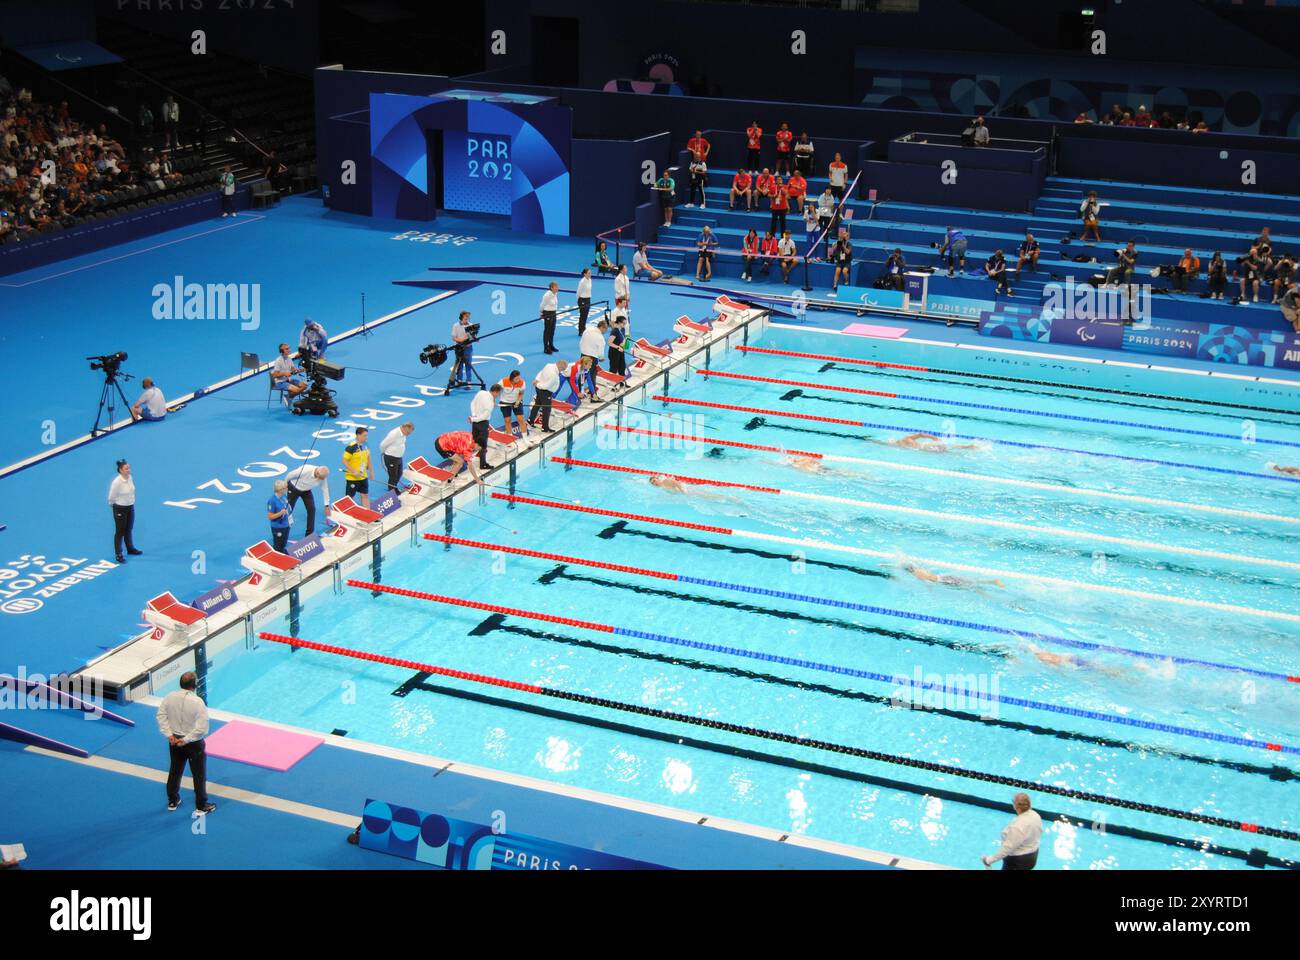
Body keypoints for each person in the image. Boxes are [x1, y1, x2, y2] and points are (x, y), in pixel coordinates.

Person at [157, 672, 216, 815]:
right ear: (195, 685)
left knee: (175, 771)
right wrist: (186, 739)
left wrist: (169, 735)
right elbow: (202, 728)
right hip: (192, 744)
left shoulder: (169, 697)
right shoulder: (198, 702)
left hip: (174, 741)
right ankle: (201, 805)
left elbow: (161, 715)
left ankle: (173, 800)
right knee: (199, 775)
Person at [981, 793, 1042, 870]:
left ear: (1015, 806)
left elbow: (1007, 848)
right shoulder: (1035, 815)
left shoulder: (1017, 827)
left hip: (1017, 862)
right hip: (1032, 857)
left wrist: (988, 860)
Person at [108, 459, 142, 564]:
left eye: (129, 468)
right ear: (121, 470)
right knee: (120, 531)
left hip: (130, 506)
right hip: (120, 508)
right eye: (126, 468)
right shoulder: (116, 482)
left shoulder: (130, 478)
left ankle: (130, 548)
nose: (129, 470)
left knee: (129, 529)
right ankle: (118, 554)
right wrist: (115, 506)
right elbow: (111, 497)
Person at [901, 561, 1004, 590]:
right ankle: (992, 581)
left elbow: (928, 583)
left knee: (969, 587)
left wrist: (930, 590)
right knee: (970, 582)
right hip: (946, 577)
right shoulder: (919, 569)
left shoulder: (917, 574)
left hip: (945, 581)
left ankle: (992, 583)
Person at [529, 360, 567, 433]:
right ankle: (545, 428)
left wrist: (537, 379)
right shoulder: (554, 375)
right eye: (562, 370)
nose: (562, 371)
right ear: (560, 367)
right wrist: (537, 384)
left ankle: (530, 420)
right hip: (545, 392)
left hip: (539, 389)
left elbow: (540, 372)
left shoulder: (548, 365)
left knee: (537, 404)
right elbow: (546, 386)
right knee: (546, 410)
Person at [470, 384, 498, 469]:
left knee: (473, 441)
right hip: (482, 423)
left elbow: (472, 403)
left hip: (475, 422)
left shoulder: (481, 392)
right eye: (498, 394)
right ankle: (483, 464)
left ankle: (466, 461)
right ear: (495, 392)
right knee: (483, 444)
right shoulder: (489, 403)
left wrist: (474, 415)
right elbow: (484, 416)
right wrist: (475, 419)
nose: (498, 396)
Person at [342, 427, 372, 508]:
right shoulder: (351, 447)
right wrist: (354, 472)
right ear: (358, 435)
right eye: (364, 436)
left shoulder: (366, 445)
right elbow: (345, 461)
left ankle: (368, 514)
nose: (366, 437)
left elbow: (368, 458)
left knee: (365, 495)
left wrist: (371, 471)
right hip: (353, 478)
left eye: (366, 435)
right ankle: (347, 516)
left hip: (363, 476)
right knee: (349, 498)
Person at [379, 422, 414, 492]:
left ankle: (394, 487)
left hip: (398, 457)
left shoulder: (403, 433)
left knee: (399, 473)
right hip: (391, 458)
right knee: (393, 476)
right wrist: (383, 452)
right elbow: (383, 444)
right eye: (408, 432)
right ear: (404, 428)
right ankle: (392, 491)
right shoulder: (394, 434)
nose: (408, 434)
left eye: (409, 433)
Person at [448, 309, 475, 388]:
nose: (467, 319)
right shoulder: (456, 325)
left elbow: (472, 335)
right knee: (459, 365)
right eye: (466, 318)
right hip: (459, 348)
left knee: (468, 365)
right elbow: (454, 338)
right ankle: (459, 380)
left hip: (468, 348)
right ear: (461, 318)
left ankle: (469, 381)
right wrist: (462, 341)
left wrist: (475, 338)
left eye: (468, 318)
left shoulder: (470, 325)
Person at [497, 371, 529, 437]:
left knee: (520, 419)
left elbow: (521, 393)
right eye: (516, 379)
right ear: (512, 378)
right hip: (505, 402)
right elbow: (496, 390)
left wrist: (518, 401)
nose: (518, 380)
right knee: (507, 420)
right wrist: (493, 401)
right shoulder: (503, 381)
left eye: (519, 378)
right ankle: (510, 437)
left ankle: (525, 438)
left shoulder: (522, 383)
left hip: (516, 402)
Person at [580, 319, 609, 391]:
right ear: (602, 327)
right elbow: (600, 353)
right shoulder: (600, 338)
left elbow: (581, 342)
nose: (606, 331)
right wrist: (601, 358)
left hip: (583, 355)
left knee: (582, 375)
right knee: (592, 376)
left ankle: (579, 392)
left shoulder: (587, 330)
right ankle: (593, 394)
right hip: (592, 358)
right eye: (606, 329)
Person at [267, 479, 293, 552]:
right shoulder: (272, 501)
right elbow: (270, 516)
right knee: (278, 546)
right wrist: (280, 513)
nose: (287, 489)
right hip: (278, 527)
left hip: (286, 524)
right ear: (281, 490)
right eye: (285, 488)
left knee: (284, 543)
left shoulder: (284, 496)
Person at [889, 432, 980, 452]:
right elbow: (920, 434)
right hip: (928, 446)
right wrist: (935, 439)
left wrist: (934, 438)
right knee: (948, 448)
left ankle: (968, 447)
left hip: (926, 447)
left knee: (947, 450)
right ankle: (968, 446)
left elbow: (920, 434)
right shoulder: (905, 442)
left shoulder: (905, 440)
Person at [540, 281, 559, 354]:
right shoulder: (547, 295)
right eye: (556, 287)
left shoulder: (555, 294)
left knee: (552, 331)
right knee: (547, 331)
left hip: (554, 313)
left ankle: (551, 345)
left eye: (557, 287)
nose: (557, 288)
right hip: (547, 313)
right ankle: (546, 348)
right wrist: (541, 313)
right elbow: (542, 305)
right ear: (551, 288)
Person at [608, 313, 629, 380]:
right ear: (619, 322)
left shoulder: (623, 329)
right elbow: (609, 343)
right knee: (613, 369)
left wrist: (623, 343)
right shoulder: (615, 331)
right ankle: (612, 384)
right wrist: (618, 347)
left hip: (621, 351)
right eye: (624, 323)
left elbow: (624, 337)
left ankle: (622, 382)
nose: (625, 325)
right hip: (614, 352)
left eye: (625, 323)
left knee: (622, 367)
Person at [576, 267, 592, 335]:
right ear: (585, 274)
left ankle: (584, 327)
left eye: (590, 273)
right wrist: (578, 300)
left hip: (588, 299)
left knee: (586, 315)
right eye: (589, 273)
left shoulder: (590, 280)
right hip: (582, 299)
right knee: (582, 315)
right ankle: (580, 330)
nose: (590, 274)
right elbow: (578, 292)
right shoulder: (582, 282)